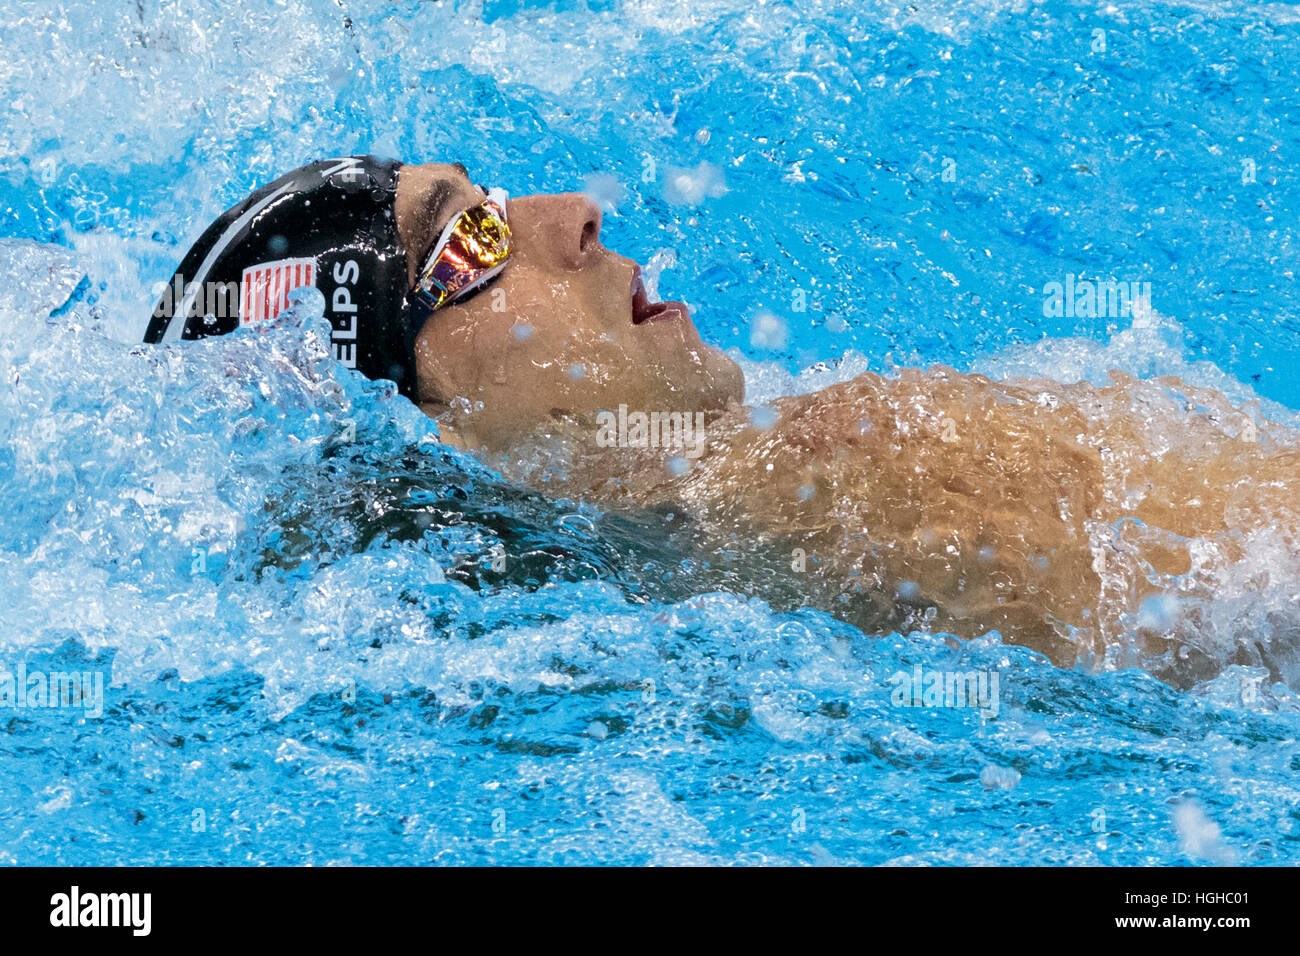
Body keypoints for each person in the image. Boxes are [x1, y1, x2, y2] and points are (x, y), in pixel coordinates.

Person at [146, 156, 1300, 685]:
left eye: (494, 201)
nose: (574, 214)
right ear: (428, 426)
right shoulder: (852, 460)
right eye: (471, 244)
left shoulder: (605, 657)